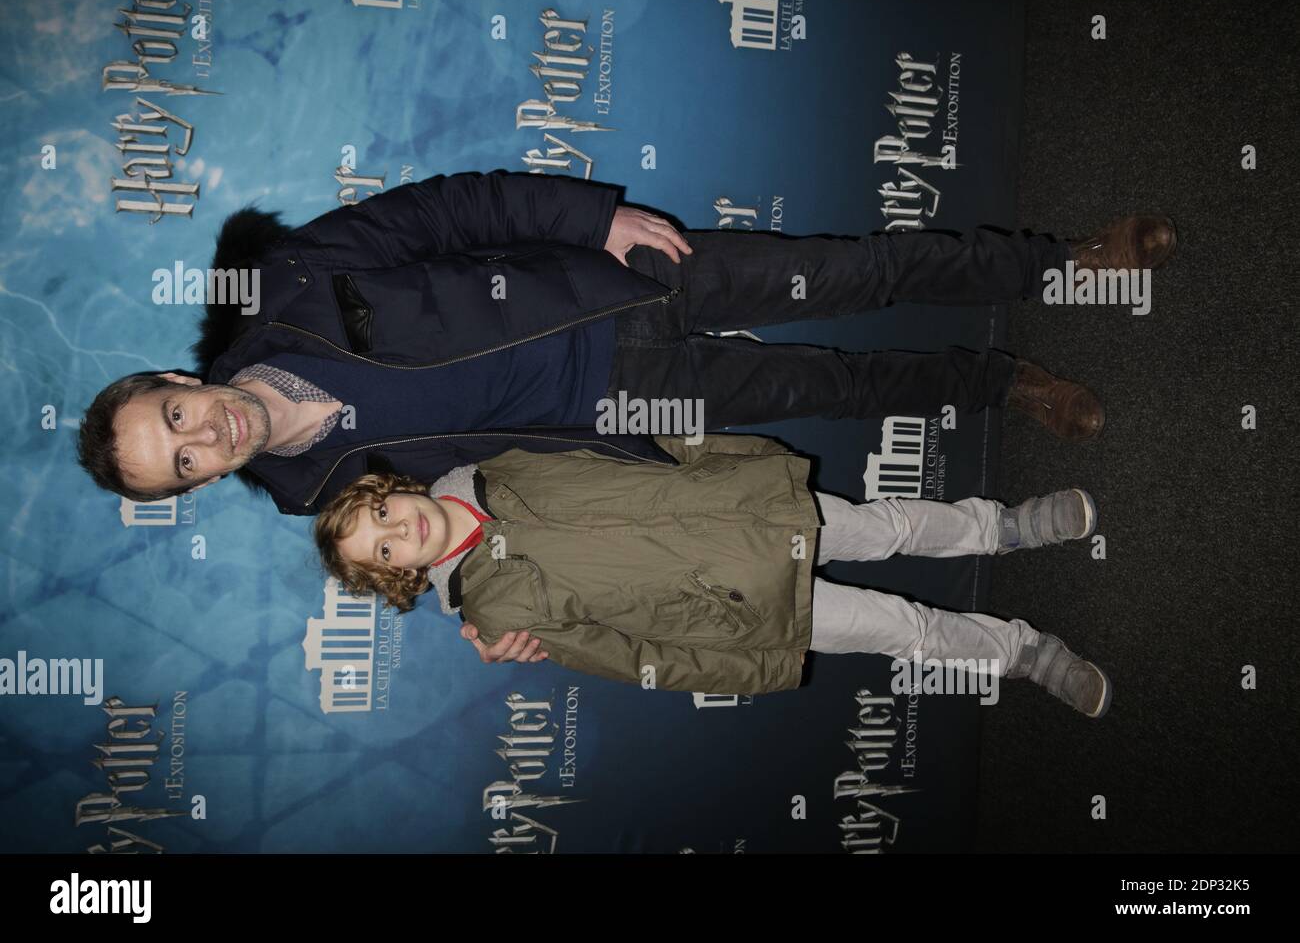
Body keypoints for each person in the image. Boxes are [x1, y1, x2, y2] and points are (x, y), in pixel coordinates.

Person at [76, 168, 1174, 664]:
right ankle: (1006, 382)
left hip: (617, 282)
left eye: (172, 414)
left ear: (170, 380)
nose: (199, 437)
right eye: (177, 465)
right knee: (833, 387)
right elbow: (449, 529)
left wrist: (593, 218)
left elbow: (452, 209)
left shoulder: (293, 285)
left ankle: (1067, 264)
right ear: (193, 486)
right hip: (617, 412)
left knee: (854, 272)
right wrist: (493, 624)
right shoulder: (308, 495)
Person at [312, 432, 1113, 718]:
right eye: (382, 553)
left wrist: (722, 453)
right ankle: (1022, 652)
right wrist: (753, 663)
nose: (396, 534)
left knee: (888, 524)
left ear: (396, 491)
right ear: (400, 579)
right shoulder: (493, 613)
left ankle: (1001, 526)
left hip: (747, 511)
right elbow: (628, 656)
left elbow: (625, 443)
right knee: (905, 628)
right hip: (742, 605)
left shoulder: (499, 456)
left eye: (381, 515)